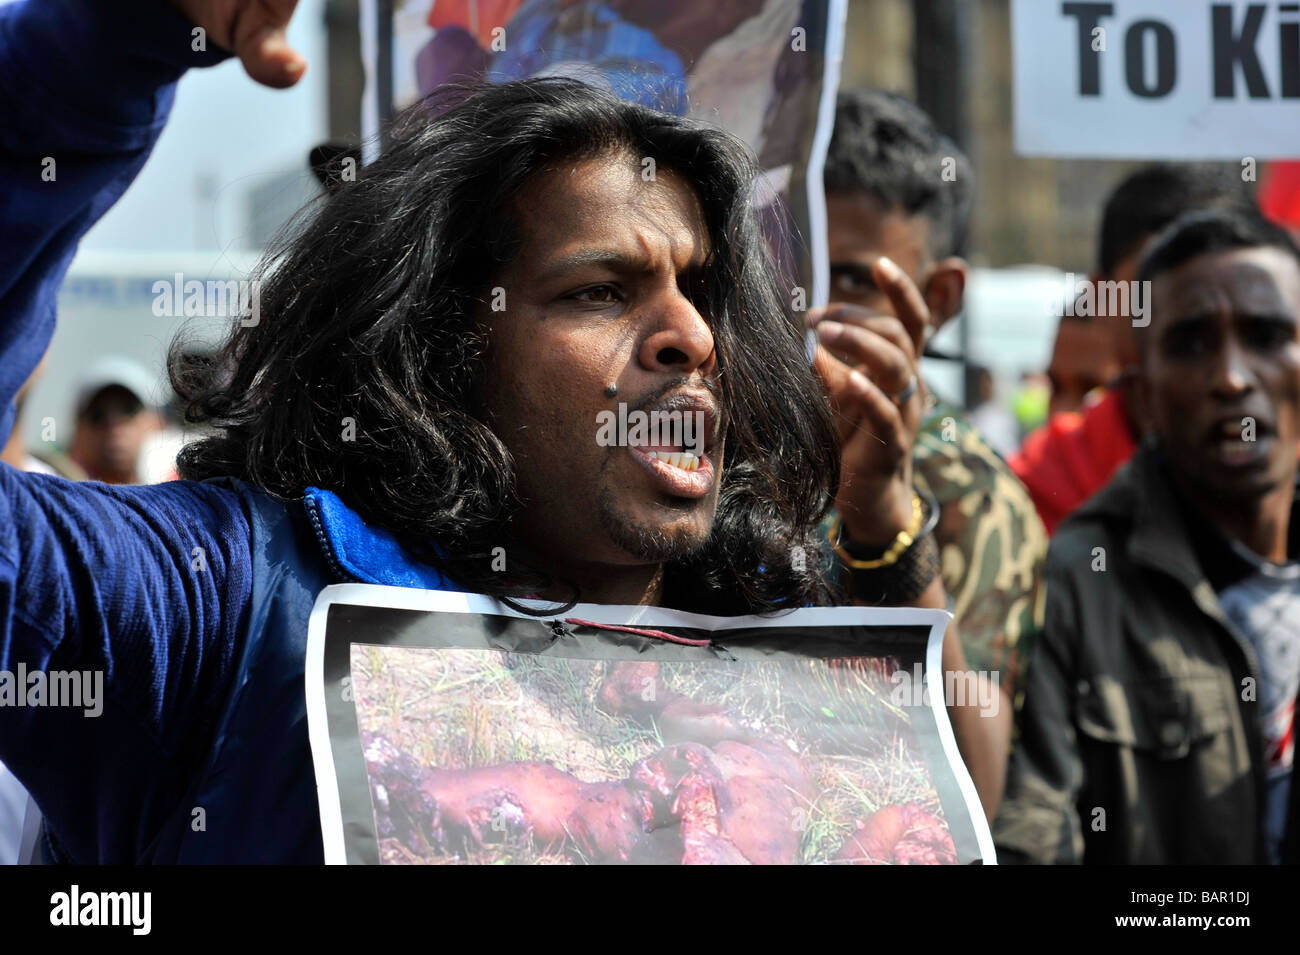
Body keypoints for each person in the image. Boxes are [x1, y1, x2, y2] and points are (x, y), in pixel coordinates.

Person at [0, 0, 985, 863]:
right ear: (439, 347)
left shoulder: (769, 628)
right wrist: (105, 48)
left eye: (705, 290)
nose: (690, 336)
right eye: (600, 291)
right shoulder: (223, 601)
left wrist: (884, 536)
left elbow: (965, 809)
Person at [995, 209, 1300, 864]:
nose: (1232, 378)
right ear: (1142, 393)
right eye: (1191, 342)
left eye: (1267, 334)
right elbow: (1034, 840)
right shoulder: (1075, 584)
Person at [814, 88, 1048, 816]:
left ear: (938, 297)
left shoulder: (975, 495)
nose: (810, 307)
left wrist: (883, 517)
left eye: (852, 279)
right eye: (787, 262)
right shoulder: (694, 431)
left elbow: (973, 785)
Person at [1012, 163, 1256, 534]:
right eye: (1155, 286)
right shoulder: (1031, 490)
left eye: (1230, 286)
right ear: (1101, 296)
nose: (1192, 311)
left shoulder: (1282, 460)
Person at [67, 356, 164, 485]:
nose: (114, 426)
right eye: (97, 416)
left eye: (129, 410)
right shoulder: (55, 493)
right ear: (78, 432)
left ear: (157, 423)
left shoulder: (186, 490)